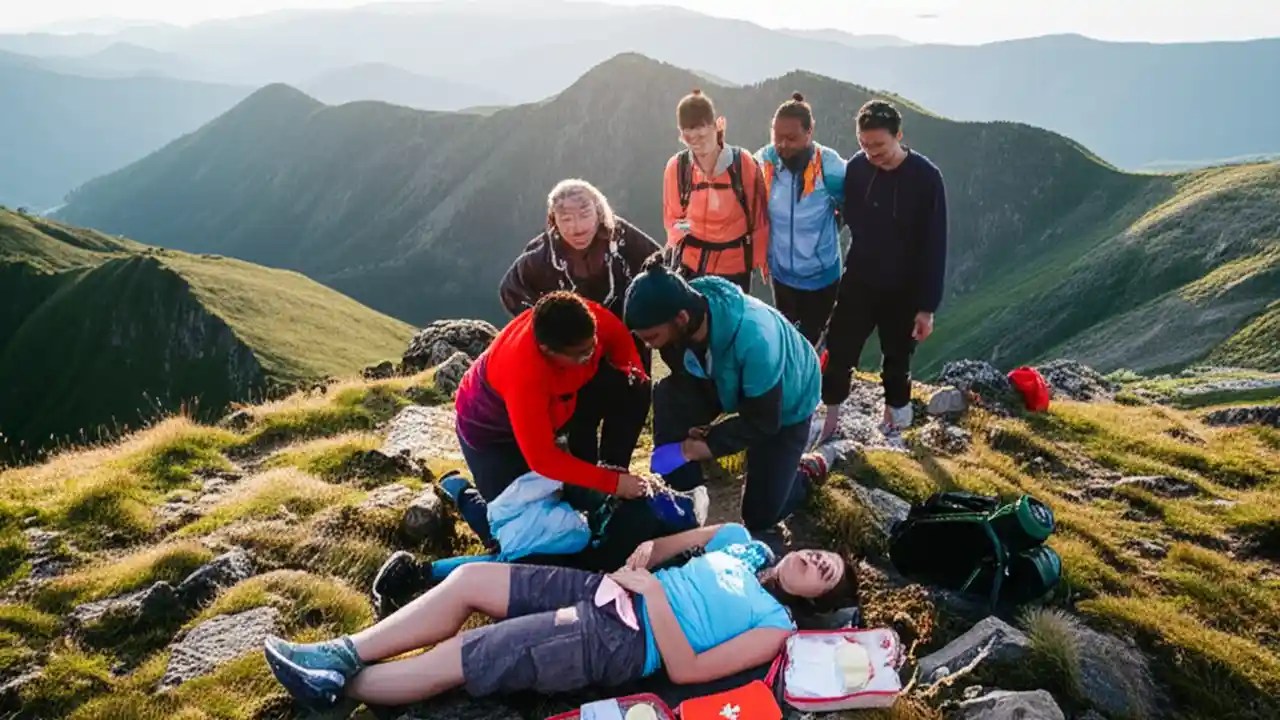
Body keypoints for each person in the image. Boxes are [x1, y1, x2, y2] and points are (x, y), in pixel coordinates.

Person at [263, 523, 858, 713]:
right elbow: (660, 546)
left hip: (626, 639)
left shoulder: (775, 625)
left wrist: (651, 596)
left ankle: (339, 690)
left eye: (825, 573)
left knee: (476, 653)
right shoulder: (738, 540)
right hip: (606, 587)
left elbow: (688, 667)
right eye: (821, 554)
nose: (814, 560)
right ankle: (342, 654)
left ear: (817, 603)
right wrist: (643, 560)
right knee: (470, 580)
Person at [622, 256, 827, 539]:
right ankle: (684, 505)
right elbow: (684, 378)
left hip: (785, 403)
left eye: (652, 337)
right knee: (668, 396)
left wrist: (700, 446)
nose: (648, 345)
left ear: (681, 319)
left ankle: (804, 472)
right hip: (721, 379)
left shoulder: (756, 338)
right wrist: (696, 427)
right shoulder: (681, 317)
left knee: (759, 517)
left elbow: (763, 421)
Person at [498, 178, 661, 470]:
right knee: (579, 420)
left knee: (629, 409)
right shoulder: (542, 256)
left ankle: (615, 473)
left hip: (625, 348)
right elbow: (510, 290)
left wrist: (642, 316)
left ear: (599, 212)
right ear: (553, 221)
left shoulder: (622, 239)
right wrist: (548, 324)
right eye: (566, 218)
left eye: (585, 215)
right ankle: (586, 485)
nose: (577, 227)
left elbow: (659, 266)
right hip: (574, 358)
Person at [453, 291, 653, 519]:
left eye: (593, 346)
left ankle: (609, 470)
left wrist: (610, 479)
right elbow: (542, 459)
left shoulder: (586, 320)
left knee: (632, 386)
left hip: (557, 406)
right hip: (491, 434)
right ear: (547, 351)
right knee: (517, 522)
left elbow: (622, 347)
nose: (590, 355)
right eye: (580, 355)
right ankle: (459, 491)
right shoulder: (524, 375)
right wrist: (614, 484)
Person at [820, 100, 948, 442]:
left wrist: (926, 308)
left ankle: (895, 425)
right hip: (859, 278)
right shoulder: (858, 169)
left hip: (903, 288)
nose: (871, 152)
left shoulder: (926, 177)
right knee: (840, 349)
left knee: (897, 357)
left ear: (899, 136)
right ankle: (830, 420)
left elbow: (935, 244)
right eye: (864, 144)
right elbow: (844, 216)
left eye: (879, 145)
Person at [754, 93, 847, 347]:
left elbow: (850, 203)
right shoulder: (764, 162)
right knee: (788, 337)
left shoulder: (830, 167)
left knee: (812, 341)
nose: (783, 145)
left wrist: (831, 232)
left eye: (791, 138)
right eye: (777, 137)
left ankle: (815, 383)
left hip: (822, 276)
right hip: (782, 274)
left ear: (810, 132)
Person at [662, 89, 769, 294]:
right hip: (692, 266)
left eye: (702, 134)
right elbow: (672, 218)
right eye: (688, 137)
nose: (697, 143)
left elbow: (759, 217)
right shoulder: (678, 168)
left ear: (718, 126)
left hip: (734, 267)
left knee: (730, 323)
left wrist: (762, 259)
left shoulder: (743, 164)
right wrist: (683, 230)